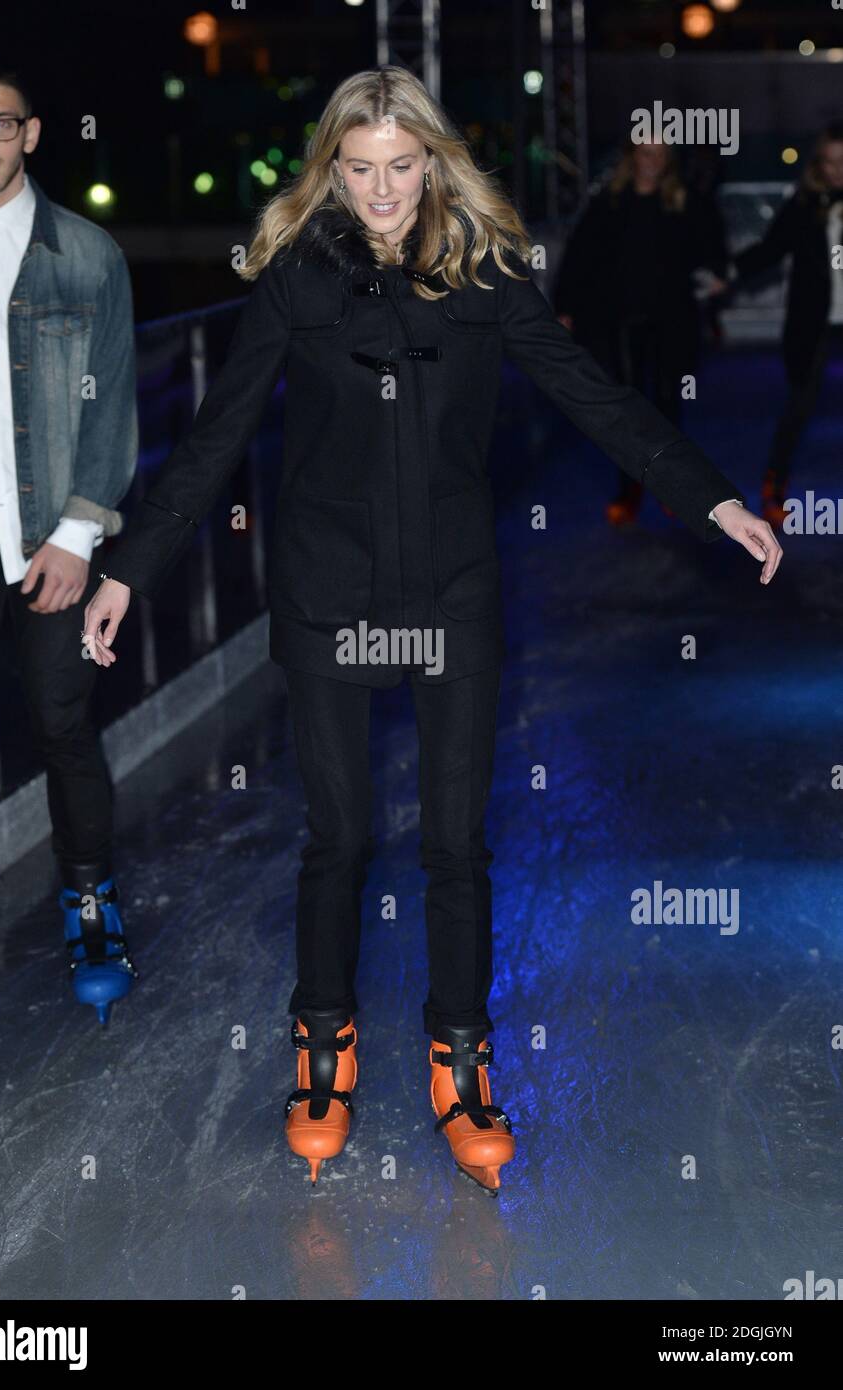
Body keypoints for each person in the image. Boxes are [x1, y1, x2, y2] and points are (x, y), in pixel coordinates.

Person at [82, 66, 781, 1192]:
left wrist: (709, 495)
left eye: (401, 167)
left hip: (453, 590)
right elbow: (212, 441)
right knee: (342, 838)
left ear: (435, 162)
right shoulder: (297, 279)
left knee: (457, 843)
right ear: (330, 171)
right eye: (357, 171)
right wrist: (128, 569)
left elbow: (593, 391)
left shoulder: (485, 275)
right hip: (328, 589)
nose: (381, 192)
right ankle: (324, 1044)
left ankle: (461, 1058)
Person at [0, 52, 139, 1026]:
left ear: (31, 134)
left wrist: (72, 534)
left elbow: (114, 410)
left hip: (51, 544)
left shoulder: (87, 255)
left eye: (0, 123)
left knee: (64, 731)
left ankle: (91, 902)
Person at [554, 138, 728, 527]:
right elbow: (580, 256)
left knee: (668, 404)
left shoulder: (683, 201)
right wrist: (565, 306)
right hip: (620, 321)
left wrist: (717, 275)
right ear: (632, 156)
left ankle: (673, 487)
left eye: (660, 154)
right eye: (645, 152)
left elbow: (711, 245)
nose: (652, 161)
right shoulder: (609, 204)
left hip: (672, 320)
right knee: (628, 410)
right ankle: (629, 487)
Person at [718, 121, 843, 527]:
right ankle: (774, 489)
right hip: (815, 321)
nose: (837, 170)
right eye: (829, 162)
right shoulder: (805, 205)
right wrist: (730, 271)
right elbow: (771, 248)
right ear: (818, 164)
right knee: (799, 407)